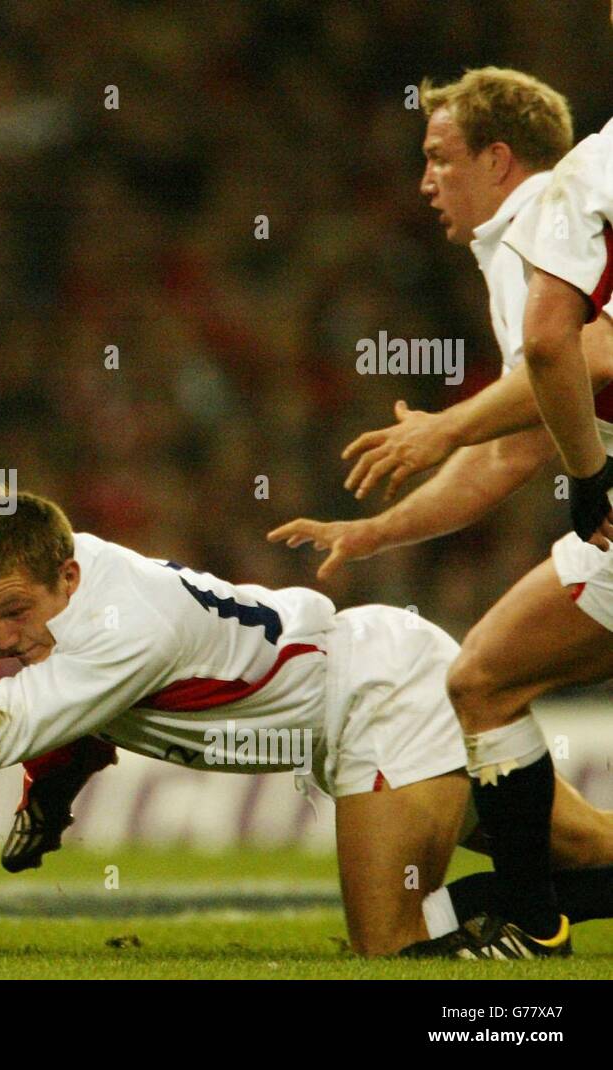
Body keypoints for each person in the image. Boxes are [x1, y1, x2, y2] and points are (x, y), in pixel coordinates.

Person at [0, 492, 613, 957]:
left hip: (383, 698)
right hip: (364, 693)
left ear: (68, 575)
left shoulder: (124, 624)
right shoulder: (25, 590)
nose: (3, 639)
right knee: (592, 853)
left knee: (390, 948)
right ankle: (517, 901)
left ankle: (511, 932)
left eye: (15, 616)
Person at [272, 66, 613, 956]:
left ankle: (534, 919)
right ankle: (535, 915)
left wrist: (443, 427)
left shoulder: (555, 213)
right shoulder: (525, 238)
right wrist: (374, 531)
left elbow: (584, 353)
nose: (425, 181)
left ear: (499, 159)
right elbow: (514, 447)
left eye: (440, 157)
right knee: (485, 680)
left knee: (485, 681)